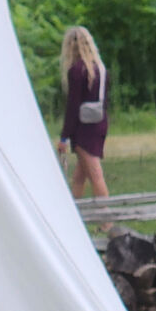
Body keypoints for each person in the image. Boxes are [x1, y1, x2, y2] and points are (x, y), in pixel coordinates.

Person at [57, 25, 110, 200]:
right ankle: (77, 215)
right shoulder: (101, 69)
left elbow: (73, 107)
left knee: (95, 175)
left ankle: (106, 221)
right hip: (100, 124)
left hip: (84, 129)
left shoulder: (77, 71)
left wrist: (64, 137)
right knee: (79, 177)